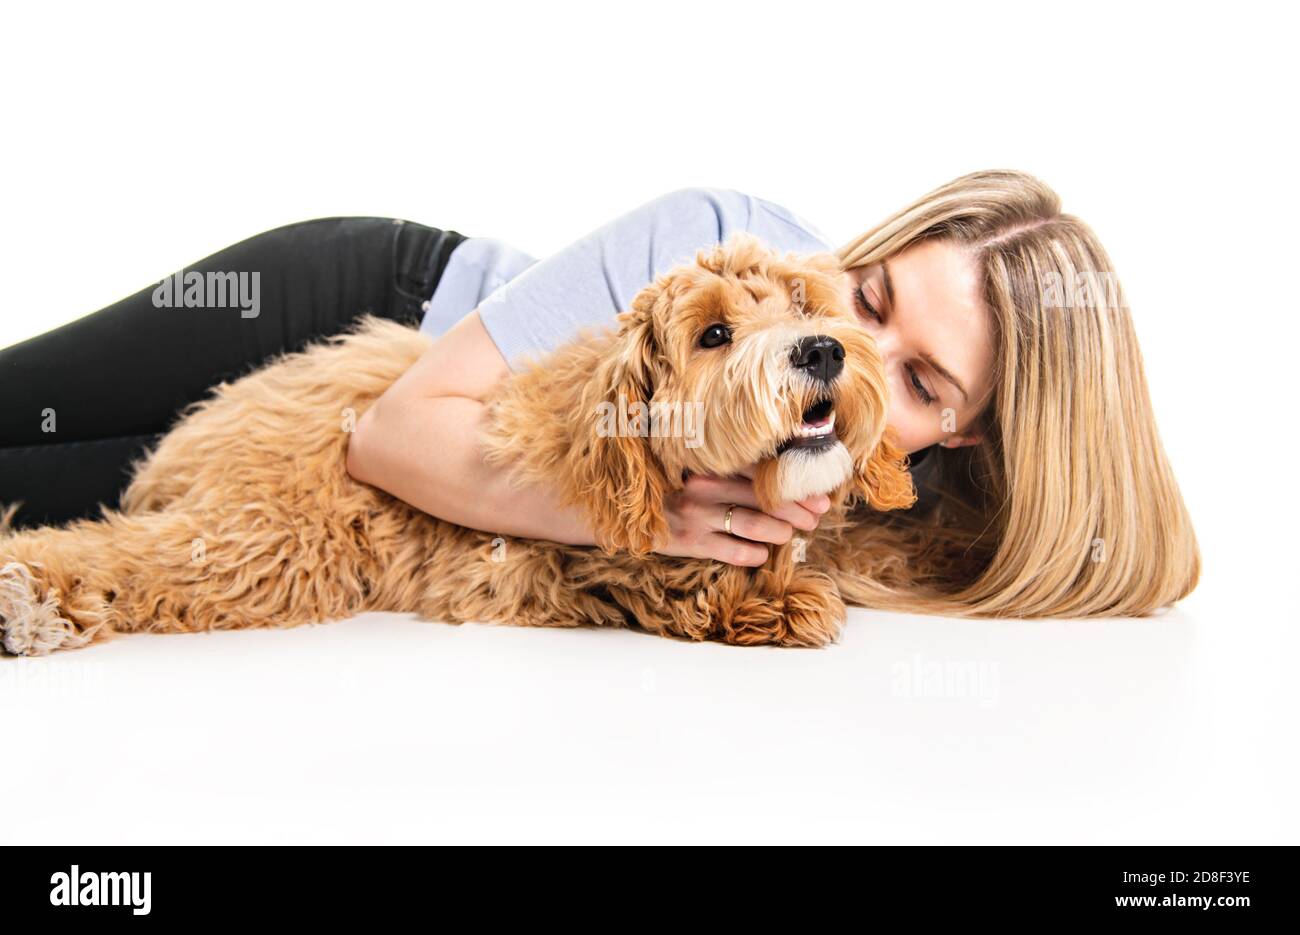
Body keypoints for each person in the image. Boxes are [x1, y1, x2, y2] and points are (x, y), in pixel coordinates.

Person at [0, 171, 1200, 618]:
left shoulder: (888, 472)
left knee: (70, 499)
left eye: (924, 379)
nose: (852, 346)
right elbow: (388, 429)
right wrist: (633, 514)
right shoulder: (720, 236)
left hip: (362, 495)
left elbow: (1138, 556)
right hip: (367, 316)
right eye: (872, 295)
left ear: (971, 432)